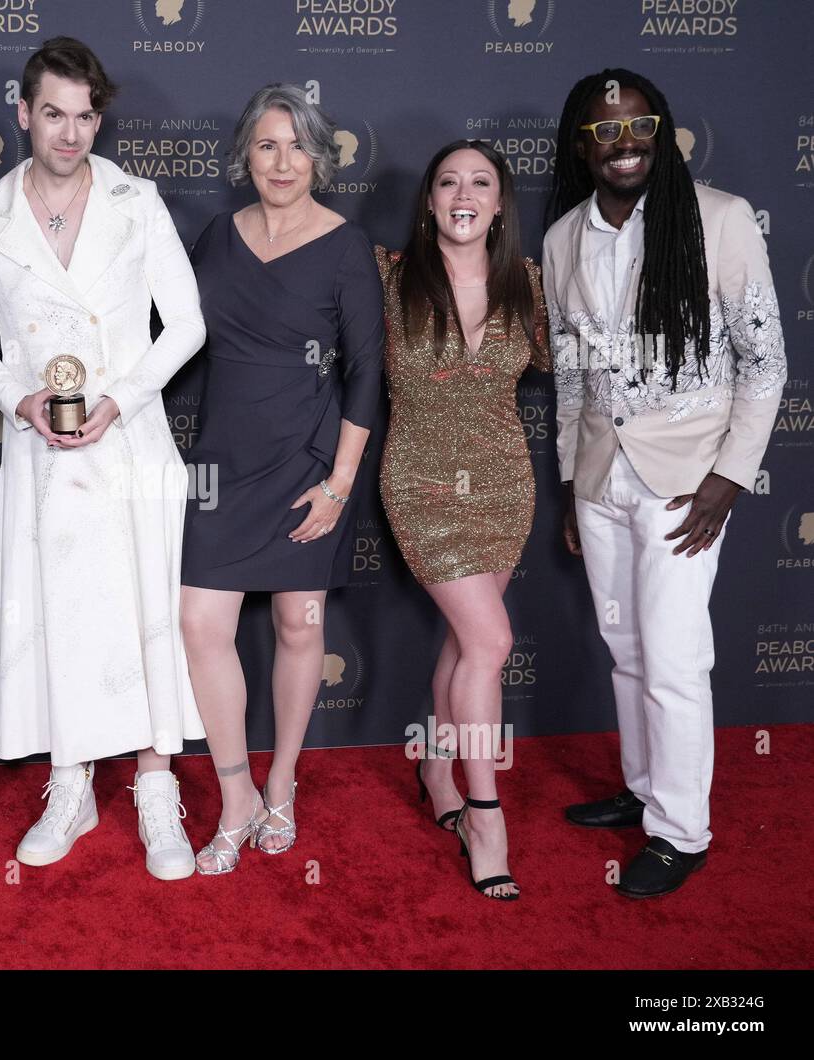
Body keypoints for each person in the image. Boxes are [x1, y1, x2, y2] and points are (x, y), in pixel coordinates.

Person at [0, 37, 206, 880]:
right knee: (58, 613)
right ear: (22, 112)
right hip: (42, 451)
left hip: (129, 440)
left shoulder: (139, 201)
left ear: (101, 116)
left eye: (86, 115)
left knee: (146, 615)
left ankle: (156, 785)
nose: (70, 133)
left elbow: (188, 324)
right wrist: (17, 399)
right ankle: (71, 785)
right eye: (53, 114)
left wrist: (120, 400)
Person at [544, 69, 786, 898]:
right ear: (583, 143)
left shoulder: (717, 220)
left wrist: (729, 477)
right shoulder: (564, 236)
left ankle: (683, 833)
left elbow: (766, 363)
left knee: (676, 660)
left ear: (661, 128)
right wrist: (575, 477)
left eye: (639, 124)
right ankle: (647, 791)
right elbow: (572, 371)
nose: (625, 143)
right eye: (605, 129)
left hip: (689, 482)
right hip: (604, 476)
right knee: (627, 651)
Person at [179, 84, 383, 874]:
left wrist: (338, 483)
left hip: (307, 464)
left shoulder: (345, 245)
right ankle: (235, 797)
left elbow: (367, 373)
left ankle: (283, 783)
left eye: (298, 145)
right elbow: (167, 333)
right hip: (221, 465)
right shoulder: (215, 237)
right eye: (267, 145)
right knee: (202, 626)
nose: (282, 161)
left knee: (300, 626)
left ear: (319, 159)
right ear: (246, 157)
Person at [376, 141, 548, 901]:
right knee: (491, 641)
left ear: (501, 202)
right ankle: (486, 815)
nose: (464, 192)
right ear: (429, 201)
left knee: (464, 643)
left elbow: (575, 374)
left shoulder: (529, 286)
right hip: (420, 482)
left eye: (481, 181)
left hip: (505, 486)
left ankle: (436, 767)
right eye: (448, 181)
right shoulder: (388, 278)